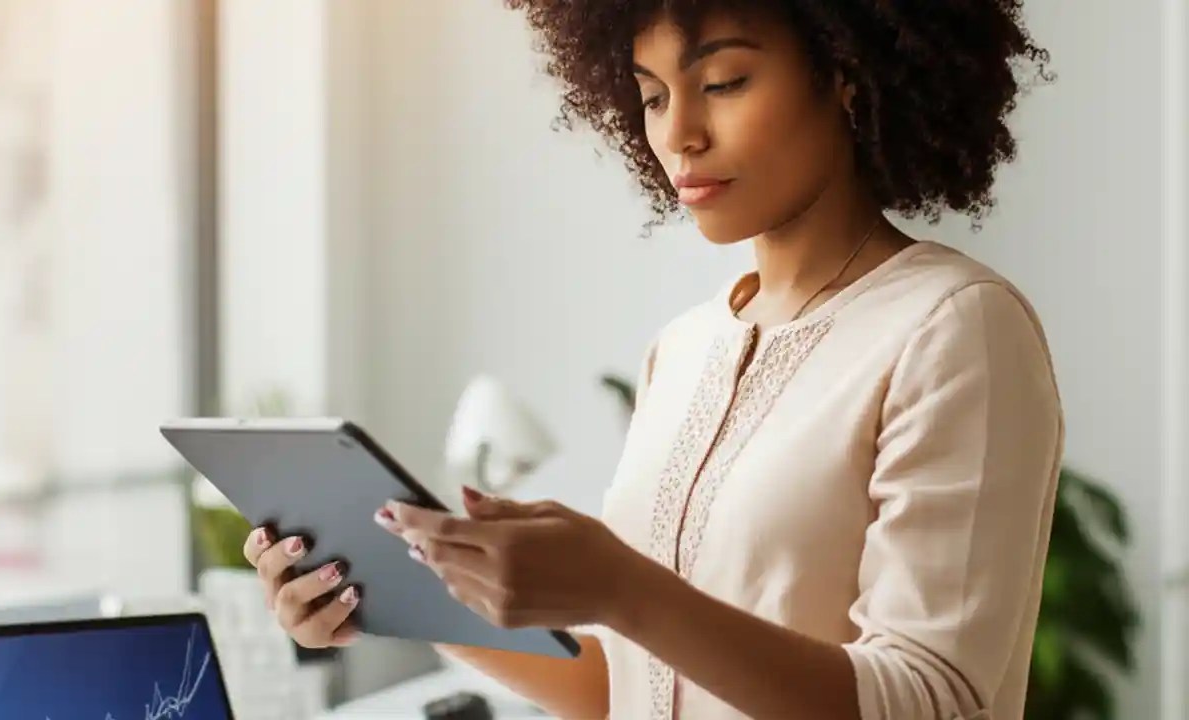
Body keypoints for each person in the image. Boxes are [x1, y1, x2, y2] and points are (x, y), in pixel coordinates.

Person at [243, 1, 1062, 718]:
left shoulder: (952, 328)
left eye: (725, 82)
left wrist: (623, 589)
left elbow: (926, 705)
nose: (678, 135)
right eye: (653, 96)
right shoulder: (684, 348)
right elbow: (622, 690)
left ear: (848, 75)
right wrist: (398, 600)